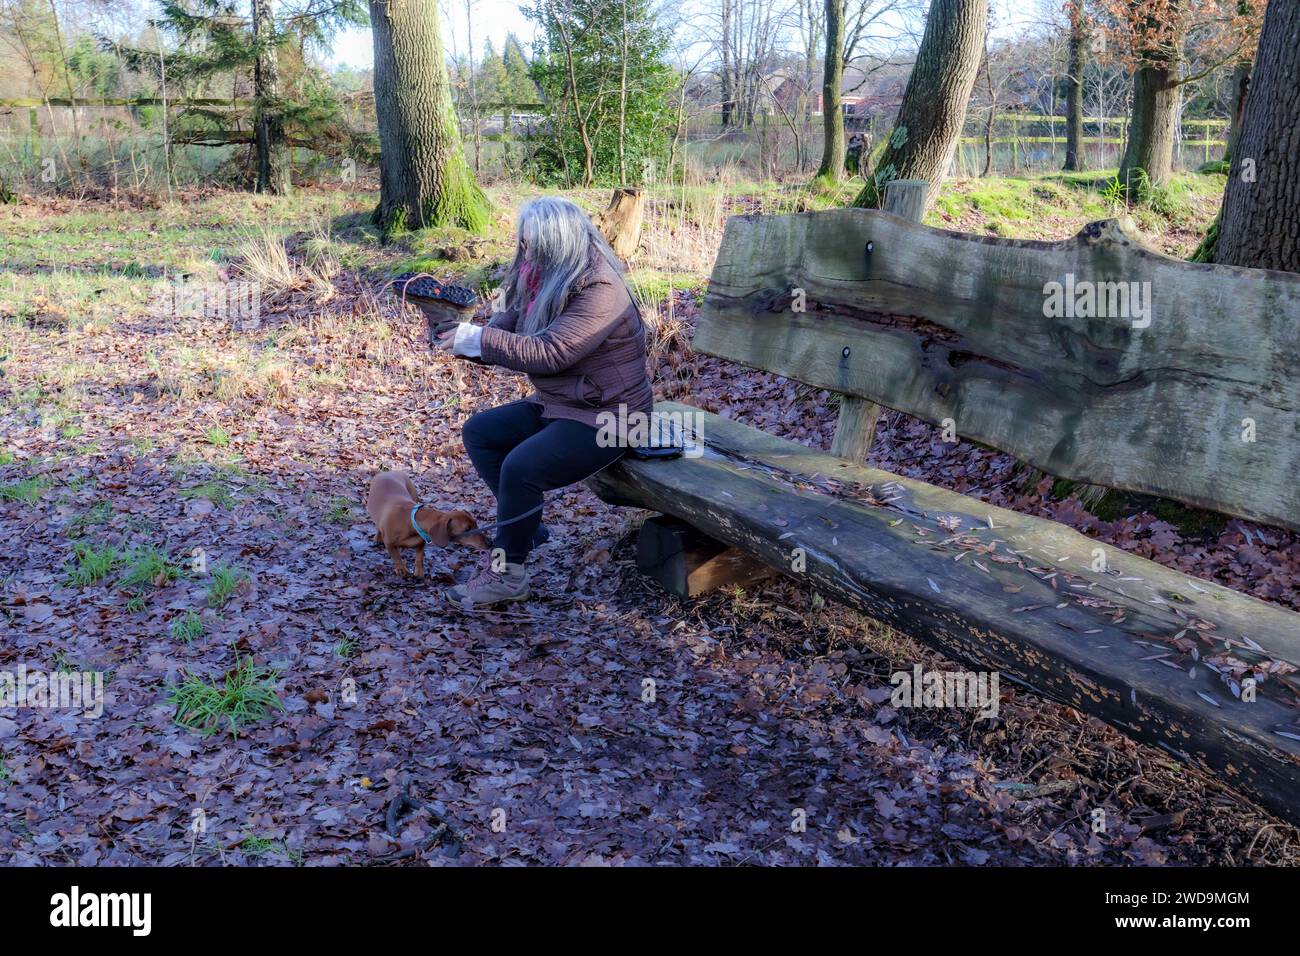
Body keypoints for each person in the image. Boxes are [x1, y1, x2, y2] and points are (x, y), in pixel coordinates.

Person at [436, 196, 652, 606]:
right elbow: (505, 330)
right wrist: (459, 338)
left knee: (521, 468)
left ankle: (508, 574)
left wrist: (480, 339)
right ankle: (524, 528)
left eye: (532, 244)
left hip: (616, 418)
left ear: (559, 243)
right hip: (564, 405)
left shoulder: (601, 287)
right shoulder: (543, 278)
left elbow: (551, 352)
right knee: (480, 432)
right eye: (522, 243)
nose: (525, 252)